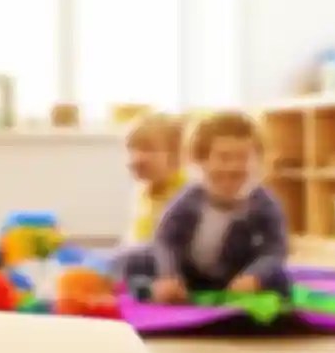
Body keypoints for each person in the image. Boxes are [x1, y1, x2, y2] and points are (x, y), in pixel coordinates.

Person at [124, 111, 291, 301]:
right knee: (137, 259)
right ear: (201, 161)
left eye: (243, 158)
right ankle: (157, 291)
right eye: (224, 157)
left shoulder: (263, 204)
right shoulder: (189, 198)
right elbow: (166, 240)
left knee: (279, 279)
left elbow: (275, 249)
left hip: (235, 278)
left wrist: (254, 275)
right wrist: (169, 275)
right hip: (189, 275)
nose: (232, 166)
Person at [123, 112, 187, 244]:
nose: (137, 158)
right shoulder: (144, 191)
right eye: (132, 148)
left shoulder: (184, 198)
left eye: (148, 149)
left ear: (176, 156)